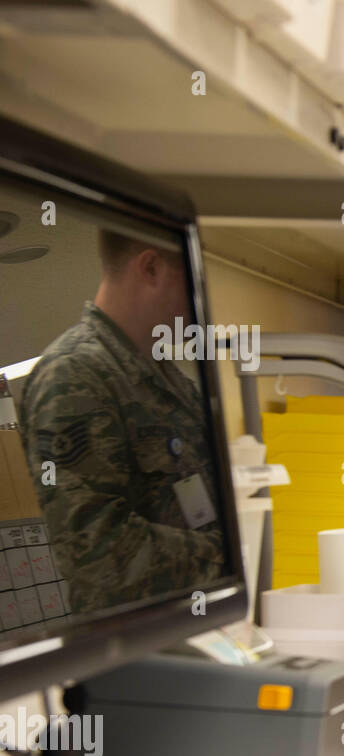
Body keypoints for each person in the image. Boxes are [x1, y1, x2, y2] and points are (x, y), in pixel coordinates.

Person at [18, 229, 225, 615]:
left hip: (194, 624)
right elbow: (97, 551)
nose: (200, 302)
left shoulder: (169, 378)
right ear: (150, 268)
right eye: (193, 282)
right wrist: (228, 552)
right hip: (133, 649)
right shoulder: (73, 376)